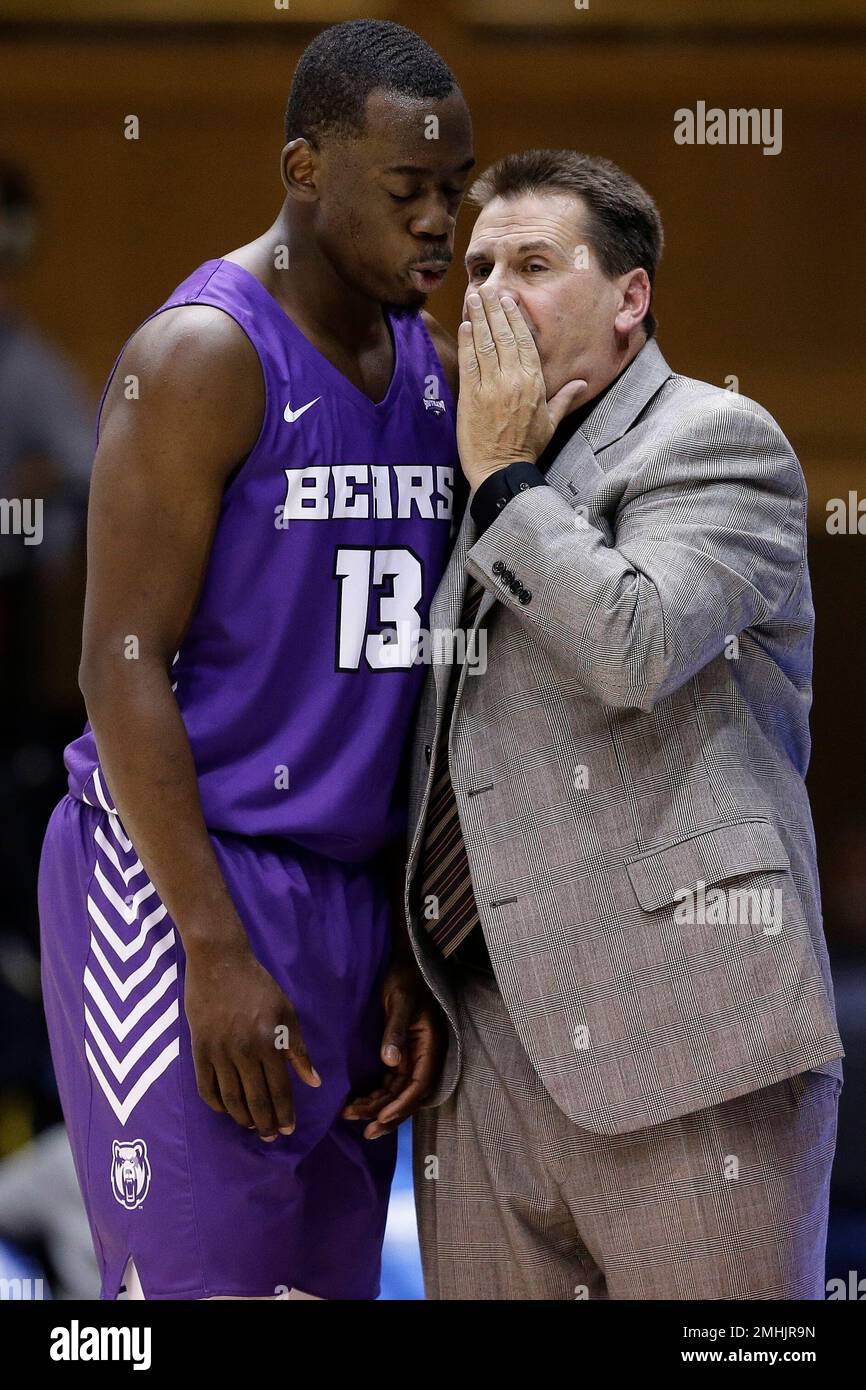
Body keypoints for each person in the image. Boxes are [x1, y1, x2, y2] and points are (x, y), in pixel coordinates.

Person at [37, 19, 473, 1301]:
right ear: (304, 169)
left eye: (454, 189)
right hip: (180, 882)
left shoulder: (437, 377)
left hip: (348, 897)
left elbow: (421, 694)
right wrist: (212, 946)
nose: (440, 223)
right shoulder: (199, 358)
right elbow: (116, 664)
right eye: (408, 193)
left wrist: (402, 929)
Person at [405, 149, 845, 1300]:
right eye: (478, 267)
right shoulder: (466, 477)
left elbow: (633, 644)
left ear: (629, 297)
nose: (491, 293)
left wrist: (502, 477)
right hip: (485, 1047)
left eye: (534, 264)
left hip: (684, 1029)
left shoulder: (714, 439)